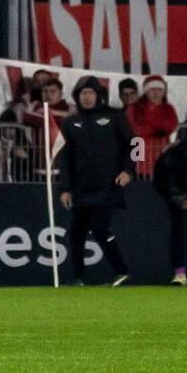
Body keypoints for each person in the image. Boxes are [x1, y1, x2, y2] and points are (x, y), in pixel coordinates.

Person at [57, 76, 134, 287]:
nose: (87, 96)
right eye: (83, 93)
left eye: (91, 92)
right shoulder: (70, 122)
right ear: (77, 96)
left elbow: (136, 143)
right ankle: (78, 278)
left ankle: (122, 271)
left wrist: (128, 170)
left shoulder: (115, 116)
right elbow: (65, 158)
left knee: (100, 228)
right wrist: (65, 188)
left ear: (98, 95)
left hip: (109, 186)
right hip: (81, 189)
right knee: (76, 233)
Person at [153, 125, 187, 285]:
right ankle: (180, 274)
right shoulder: (170, 155)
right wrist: (178, 198)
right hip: (180, 199)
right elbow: (161, 182)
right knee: (179, 233)